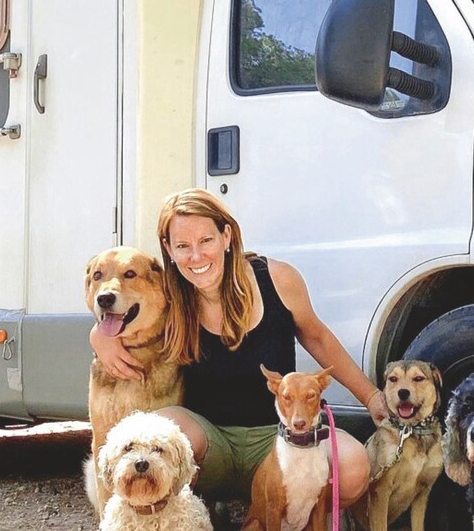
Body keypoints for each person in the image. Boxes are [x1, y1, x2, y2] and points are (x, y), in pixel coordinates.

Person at [90, 188, 386, 506]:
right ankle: (181, 515)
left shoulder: (277, 280)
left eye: (206, 240)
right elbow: (124, 313)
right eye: (183, 246)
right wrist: (99, 336)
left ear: (227, 236)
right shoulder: (171, 297)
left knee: (353, 466)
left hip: (280, 440)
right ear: (169, 249)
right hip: (210, 445)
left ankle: (292, 515)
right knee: (158, 429)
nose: (196, 256)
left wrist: (371, 398)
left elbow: (318, 338)